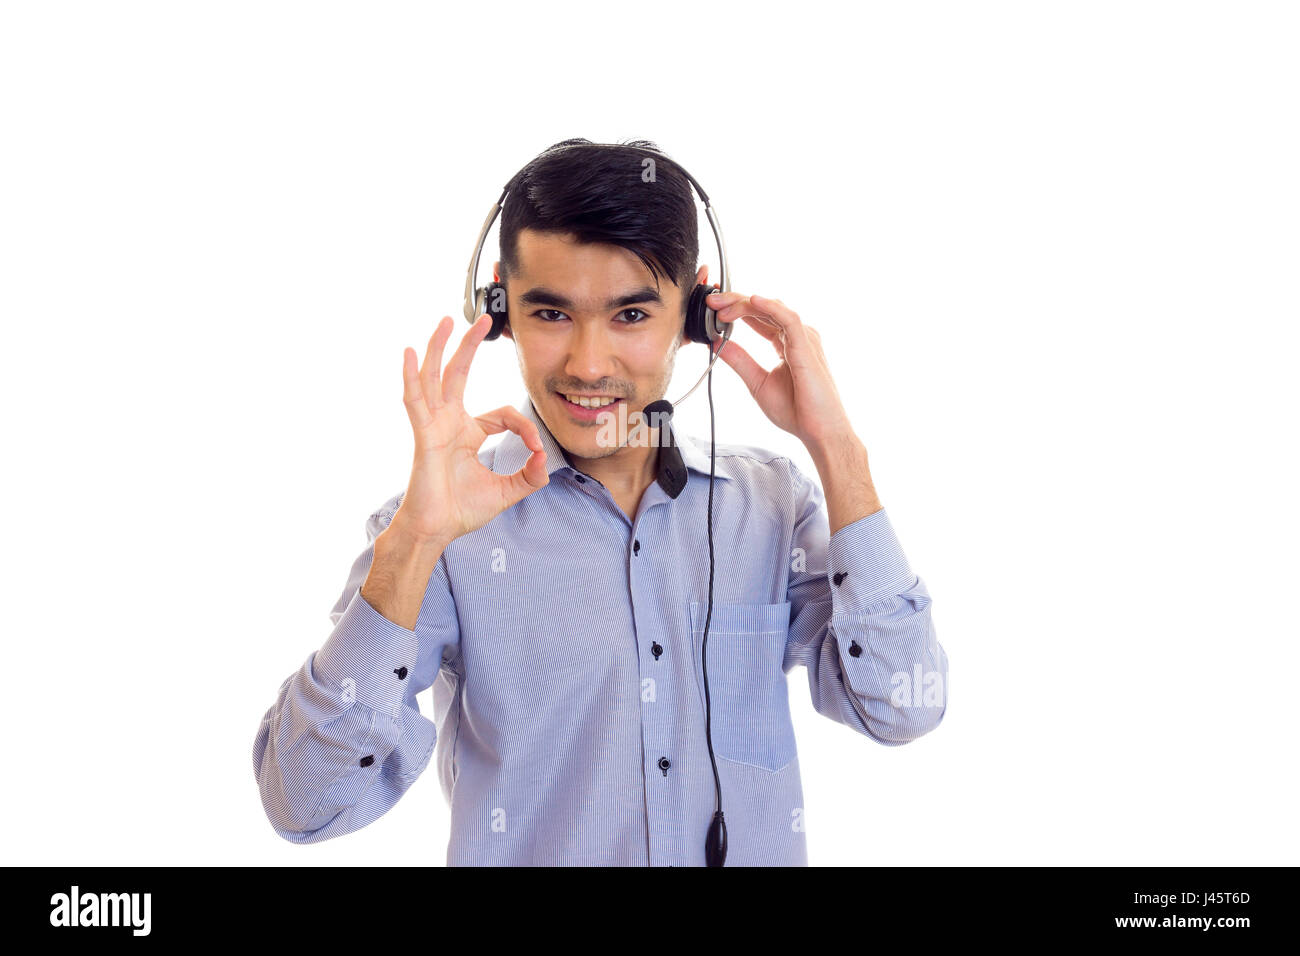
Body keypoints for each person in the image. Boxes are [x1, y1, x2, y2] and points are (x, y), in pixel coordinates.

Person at [252, 138, 949, 866]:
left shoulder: (771, 506)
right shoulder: (439, 531)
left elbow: (903, 707)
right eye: (550, 315)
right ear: (499, 309)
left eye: (630, 316)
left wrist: (838, 452)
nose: (587, 365)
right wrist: (414, 542)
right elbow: (303, 803)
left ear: (698, 312)